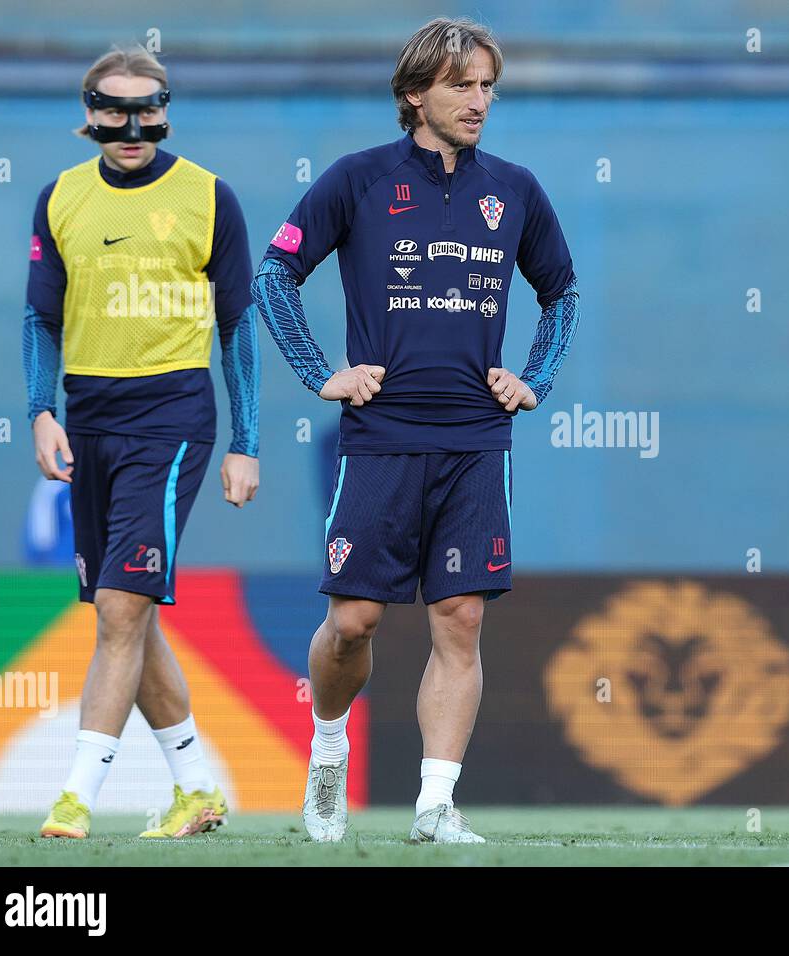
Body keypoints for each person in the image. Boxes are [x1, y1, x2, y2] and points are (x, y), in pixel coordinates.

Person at [252, 17, 580, 843]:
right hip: (379, 440)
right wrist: (320, 370)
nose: (480, 101)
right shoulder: (357, 180)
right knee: (355, 621)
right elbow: (274, 274)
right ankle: (329, 750)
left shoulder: (516, 189)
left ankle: (435, 804)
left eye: (487, 86)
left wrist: (532, 378)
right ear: (414, 94)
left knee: (461, 617)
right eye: (462, 85)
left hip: (477, 440)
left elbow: (562, 294)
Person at [27, 46, 260, 839]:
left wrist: (246, 440)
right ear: (89, 114)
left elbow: (237, 328)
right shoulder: (59, 198)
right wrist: (38, 410)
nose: (131, 128)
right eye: (113, 111)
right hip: (88, 422)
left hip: (173, 421)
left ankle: (73, 797)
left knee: (122, 605)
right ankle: (196, 788)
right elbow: (41, 320)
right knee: (128, 613)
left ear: (165, 109)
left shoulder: (208, 197)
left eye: (146, 110)